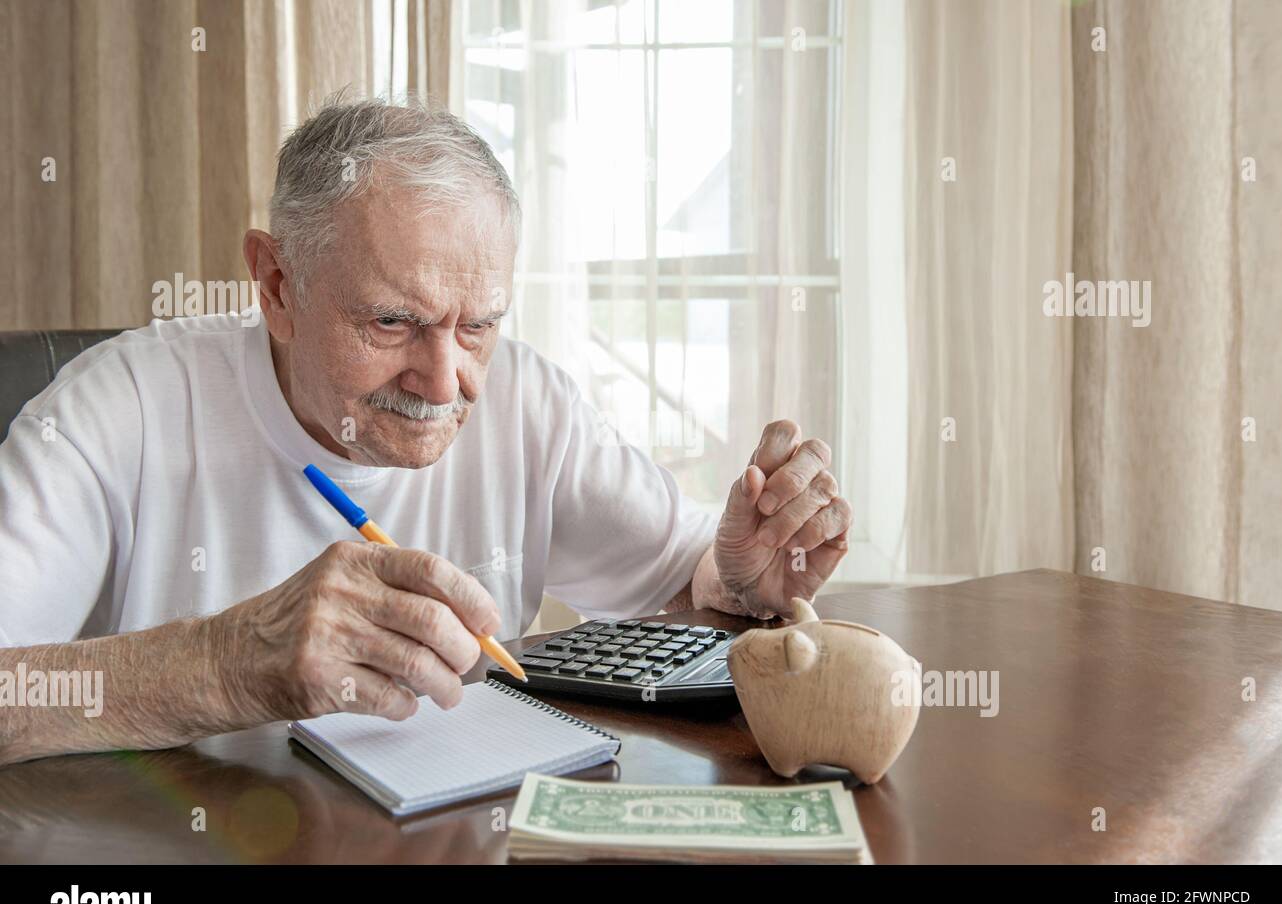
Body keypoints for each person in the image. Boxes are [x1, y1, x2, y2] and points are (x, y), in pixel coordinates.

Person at [0, 95, 852, 765]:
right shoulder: (116, 411)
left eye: (477, 325)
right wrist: (225, 665)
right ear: (276, 284)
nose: (444, 383)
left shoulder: (527, 401)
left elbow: (683, 581)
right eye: (392, 322)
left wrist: (743, 580)